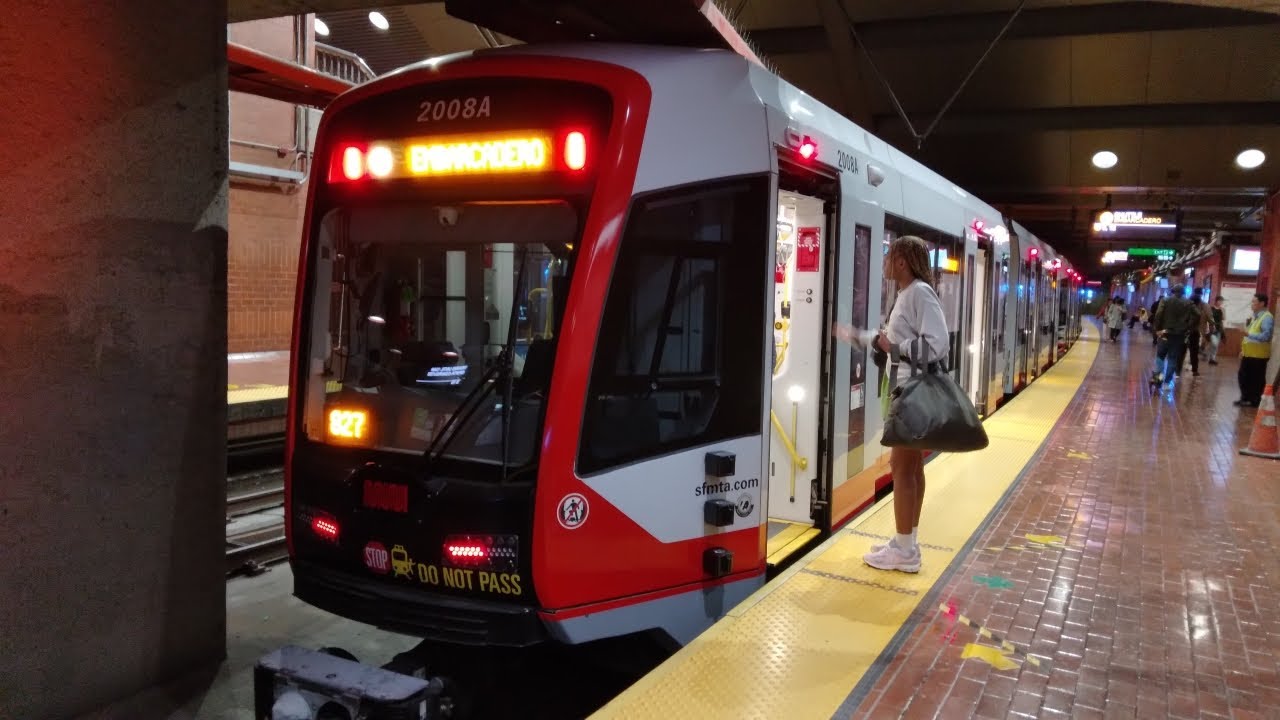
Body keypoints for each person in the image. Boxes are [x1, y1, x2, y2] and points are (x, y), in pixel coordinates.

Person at [835, 236, 949, 574]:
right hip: (904, 388)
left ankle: (904, 550)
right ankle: (906, 542)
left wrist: (894, 345)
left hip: (910, 390)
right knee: (911, 467)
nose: (884, 261)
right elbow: (891, 340)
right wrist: (857, 335)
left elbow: (937, 345)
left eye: (889, 255)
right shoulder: (907, 294)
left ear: (901, 261)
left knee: (901, 468)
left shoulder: (919, 293)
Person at [1151, 284, 1196, 386]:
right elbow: (1197, 314)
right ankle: (1167, 382)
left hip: (1165, 333)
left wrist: (1157, 329)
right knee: (1172, 358)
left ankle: (1158, 376)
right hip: (1179, 334)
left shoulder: (1165, 300)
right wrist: (1188, 326)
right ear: (1184, 292)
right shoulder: (1189, 303)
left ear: (1172, 291)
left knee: (1160, 355)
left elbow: (1158, 314)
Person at [1236, 292, 1273, 408]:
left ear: (1262, 303)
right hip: (1249, 353)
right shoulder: (1255, 317)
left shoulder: (1266, 318)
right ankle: (1246, 398)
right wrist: (1243, 350)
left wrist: (1247, 333)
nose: (1251, 304)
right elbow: (1250, 336)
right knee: (1244, 376)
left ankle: (1255, 401)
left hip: (1258, 355)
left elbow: (1265, 336)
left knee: (1256, 379)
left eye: (1254, 302)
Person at [1205, 295, 1225, 366]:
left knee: (1216, 346)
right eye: (1220, 301)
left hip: (1219, 328)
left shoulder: (1222, 309)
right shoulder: (1211, 308)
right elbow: (1208, 317)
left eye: (1222, 301)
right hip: (1212, 328)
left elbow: (1223, 318)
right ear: (1217, 301)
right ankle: (1205, 352)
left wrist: (1222, 311)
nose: (1221, 302)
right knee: (1214, 343)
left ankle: (1212, 359)